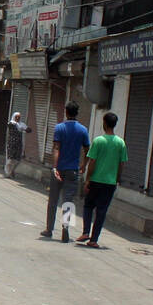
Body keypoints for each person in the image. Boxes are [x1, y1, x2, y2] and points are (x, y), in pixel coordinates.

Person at [41, 102, 90, 242]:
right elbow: (88, 150)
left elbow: (56, 148)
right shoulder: (83, 130)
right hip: (73, 170)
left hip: (60, 169)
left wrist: (55, 167)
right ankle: (66, 228)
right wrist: (83, 165)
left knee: (53, 200)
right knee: (68, 201)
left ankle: (49, 229)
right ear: (77, 113)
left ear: (66, 112)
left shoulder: (59, 128)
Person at [78, 111, 127, 248]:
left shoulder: (98, 141)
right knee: (101, 211)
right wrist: (117, 179)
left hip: (96, 180)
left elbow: (92, 161)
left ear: (105, 123)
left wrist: (88, 179)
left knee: (88, 206)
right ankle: (94, 240)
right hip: (110, 183)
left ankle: (86, 231)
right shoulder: (120, 143)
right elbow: (122, 163)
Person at [4, 111, 31, 178]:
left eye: (19, 117)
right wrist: (19, 126)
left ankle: (12, 171)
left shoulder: (21, 124)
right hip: (11, 144)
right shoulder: (11, 123)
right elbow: (10, 125)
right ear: (14, 117)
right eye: (16, 117)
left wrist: (25, 129)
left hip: (19, 144)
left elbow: (29, 130)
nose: (17, 118)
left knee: (17, 160)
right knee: (10, 159)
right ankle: (8, 173)